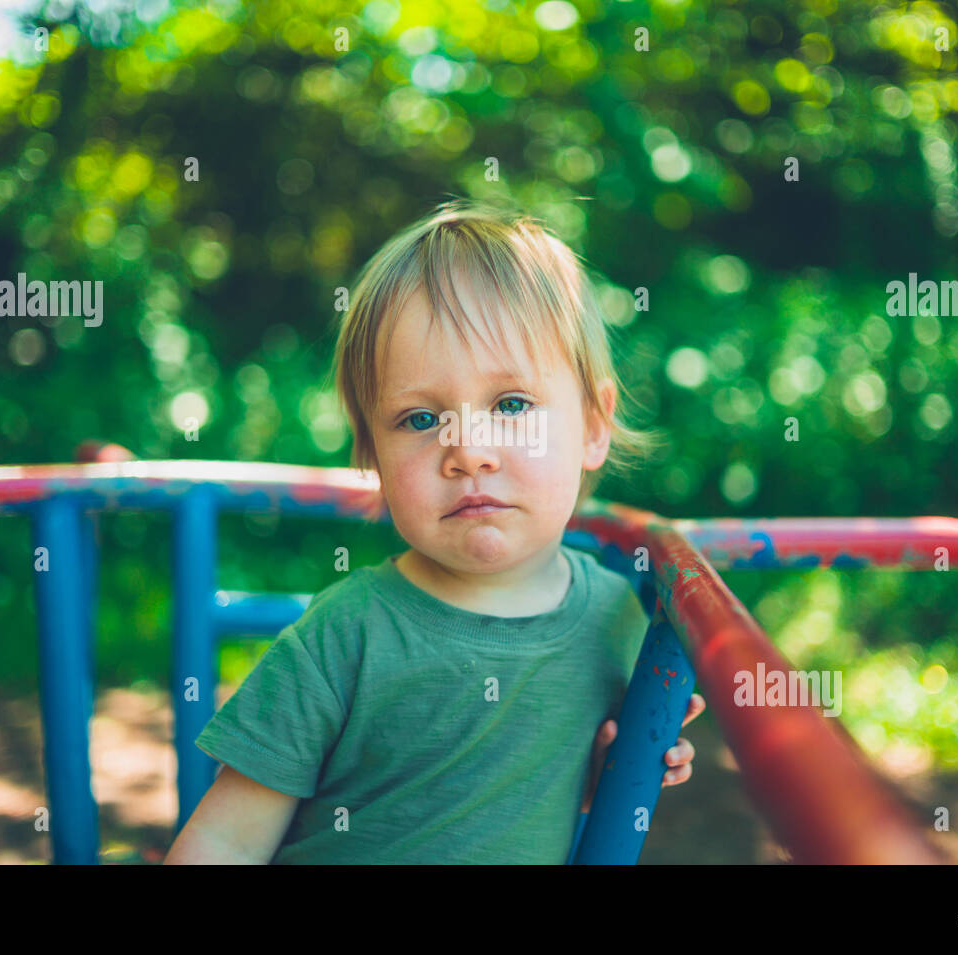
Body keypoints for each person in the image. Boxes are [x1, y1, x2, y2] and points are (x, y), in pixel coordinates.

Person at [165, 197, 705, 864]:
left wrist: (632, 765)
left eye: (510, 404)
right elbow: (223, 839)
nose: (468, 448)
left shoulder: (620, 618)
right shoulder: (346, 633)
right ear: (374, 456)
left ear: (593, 425)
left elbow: (556, 792)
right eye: (419, 419)